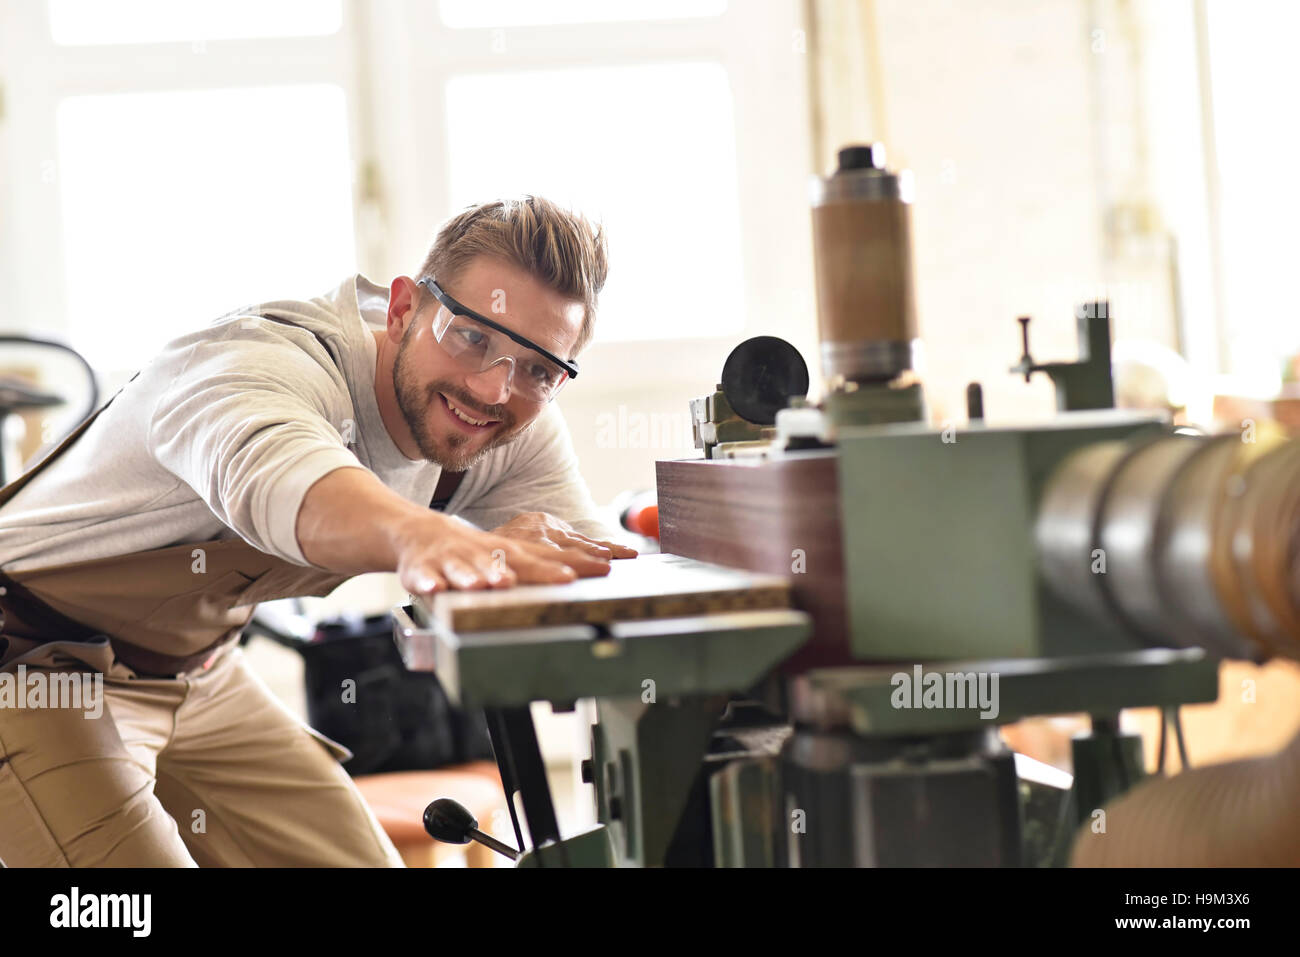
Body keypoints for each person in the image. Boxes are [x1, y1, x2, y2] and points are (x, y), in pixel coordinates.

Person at [0, 195, 635, 867]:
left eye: (537, 368)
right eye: (471, 335)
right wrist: (423, 536)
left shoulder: (509, 426)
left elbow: (591, 567)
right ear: (402, 309)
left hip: (198, 670)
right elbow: (285, 478)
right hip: (33, 666)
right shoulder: (260, 361)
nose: (492, 388)